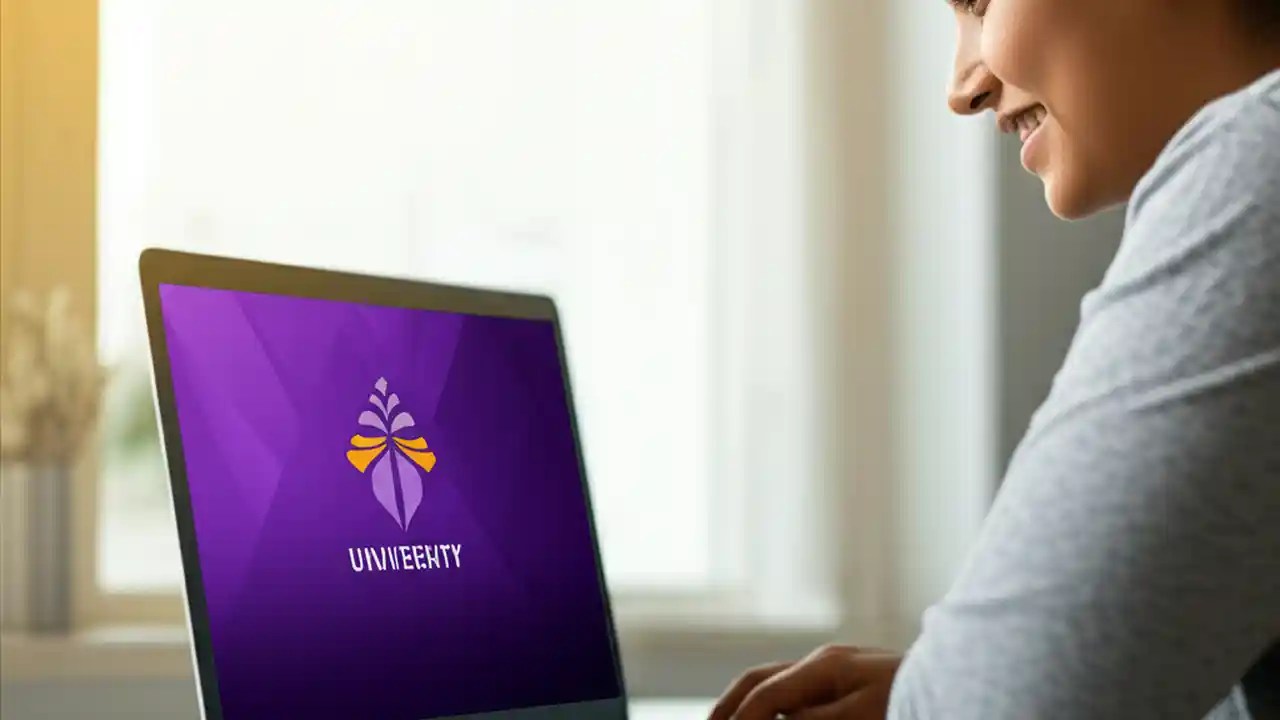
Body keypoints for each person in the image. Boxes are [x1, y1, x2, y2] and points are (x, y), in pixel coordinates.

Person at [710, 0, 1280, 717]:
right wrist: (930, 693)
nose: (961, 86)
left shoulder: (1263, 163)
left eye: (979, 3)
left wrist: (950, 698)